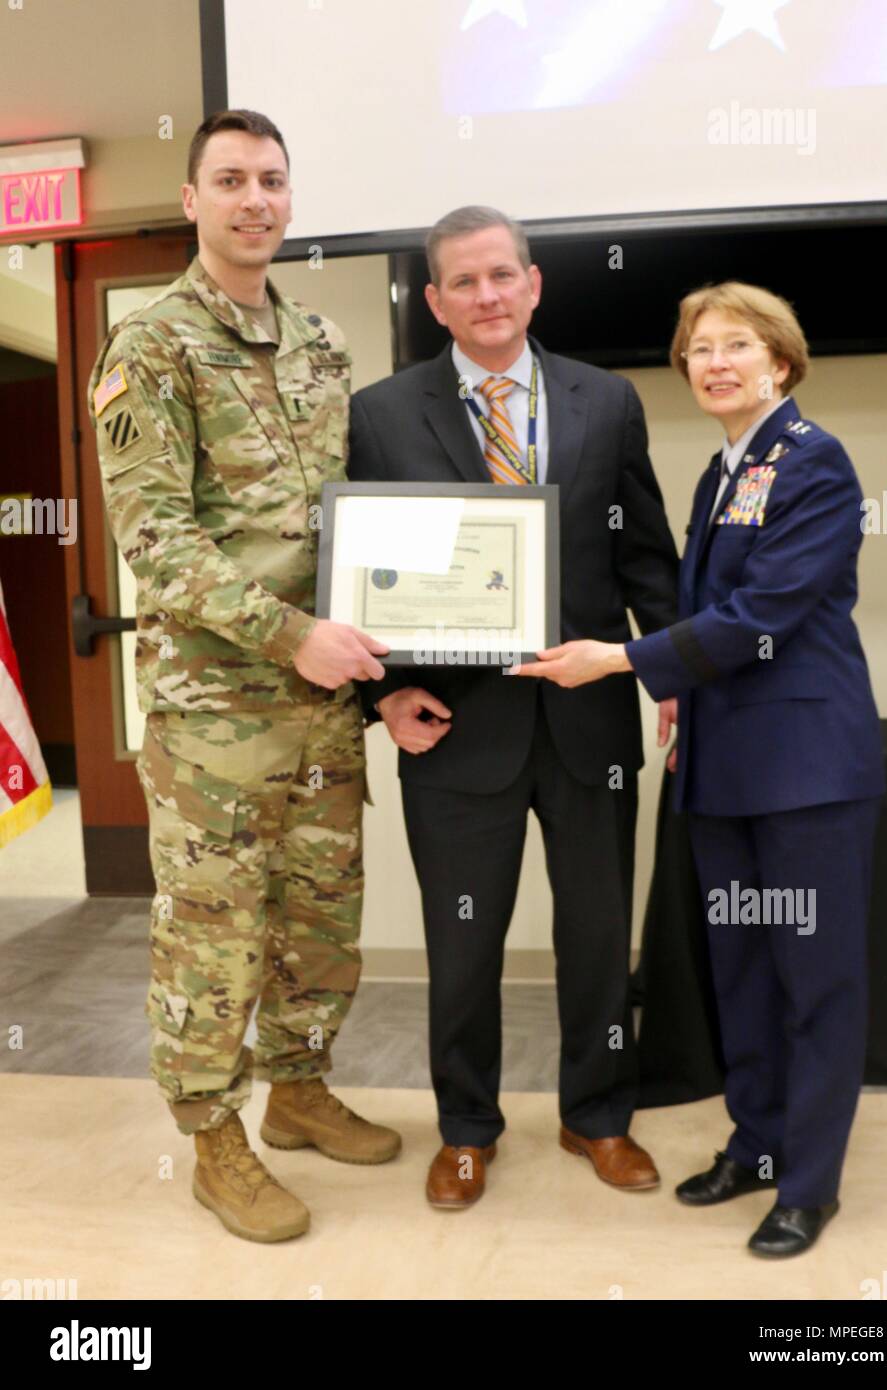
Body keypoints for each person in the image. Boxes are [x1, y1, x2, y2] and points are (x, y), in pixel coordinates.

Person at [515, 281, 885, 1256]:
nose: (714, 362)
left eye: (737, 345)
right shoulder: (723, 472)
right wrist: (672, 687)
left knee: (814, 980)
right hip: (722, 770)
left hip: (806, 771)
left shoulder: (815, 463)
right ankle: (757, 1147)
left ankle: (807, 1183)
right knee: (744, 975)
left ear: (780, 360)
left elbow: (763, 612)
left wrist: (623, 660)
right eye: (698, 348)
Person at [88, 109, 399, 1244]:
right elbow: (155, 538)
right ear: (190, 199)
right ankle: (215, 1138)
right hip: (217, 714)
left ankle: (300, 1089)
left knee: (319, 914)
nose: (254, 199)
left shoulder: (320, 343)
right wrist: (288, 636)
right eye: (230, 180)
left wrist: (375, 659)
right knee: (214, 930)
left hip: (321, 704)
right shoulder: (151, 345)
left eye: (271, 179)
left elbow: (347, 531)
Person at [349, 206, 680, 1208]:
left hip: (588, 725)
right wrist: (383, 693)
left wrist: (668, 675)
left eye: (503, 275)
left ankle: (599, 1115)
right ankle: (465, 1128)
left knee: (595, 932)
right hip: (450, 729)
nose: (486, 295)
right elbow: (360, 574)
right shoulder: (380, 412)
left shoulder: (606, 399)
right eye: (464, 281)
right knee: (462, 942)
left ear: (532, 285)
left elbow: (643, 555)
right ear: (436, 301)